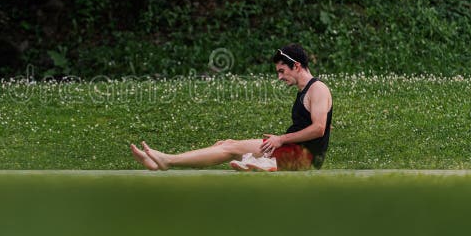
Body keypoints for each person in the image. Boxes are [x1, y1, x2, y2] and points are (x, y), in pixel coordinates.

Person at [130, 44, 333, 172]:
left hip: (302, 159)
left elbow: (319, 128)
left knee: (230, 148)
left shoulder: (318, 89)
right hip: (294, 151)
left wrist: (281, 139)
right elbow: (319, 127)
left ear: (296, 66)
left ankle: (167, 161)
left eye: (282, 71)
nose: (279, 77)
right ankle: (159, 163)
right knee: (227, 144)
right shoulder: (306, 90)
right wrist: (285, 139)